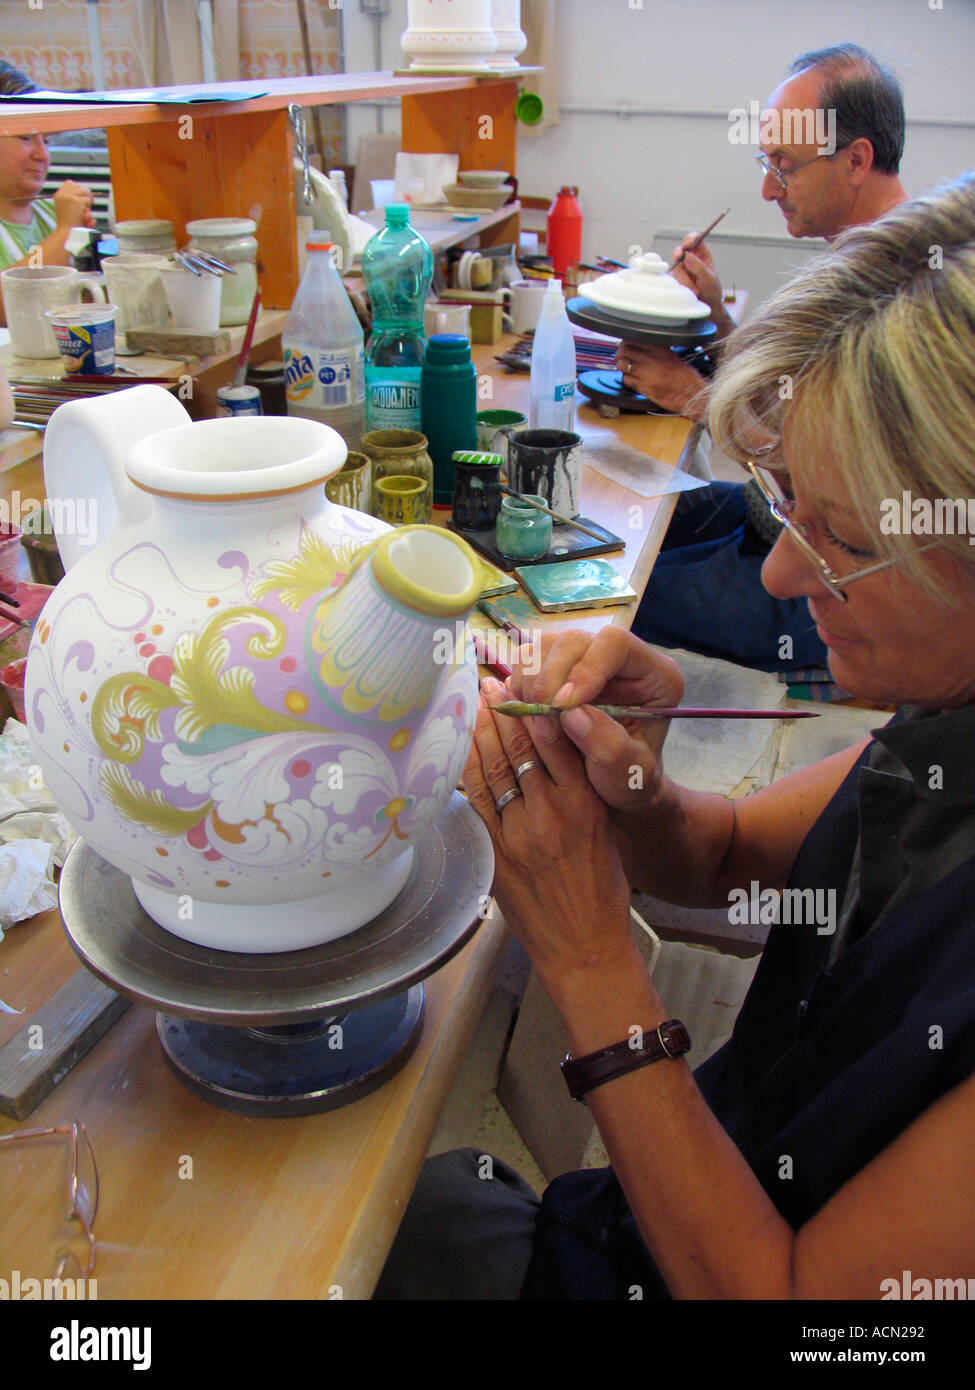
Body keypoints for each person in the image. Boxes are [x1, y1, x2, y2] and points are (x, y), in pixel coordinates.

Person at [376, 171, 975, 1300]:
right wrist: (643, 774)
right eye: (792, 508)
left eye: (840, 540)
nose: (788, 573)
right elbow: (720, 855)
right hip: (679, 1205)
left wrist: (589, 956)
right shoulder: (947, 720)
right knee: (408, 1219)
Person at [622, 44, 910, 675]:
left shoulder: (899, 297)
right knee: (625, 527)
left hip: (821, 584)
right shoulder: (860, 257)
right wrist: (719, 320)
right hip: (767, 523)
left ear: (856, 159)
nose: (765, 187)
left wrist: (689, 396)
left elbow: (813, 470)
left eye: (785, 166)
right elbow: (788, 400)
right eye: (766, 161)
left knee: (617, 600)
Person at [0, 61, 94, 291]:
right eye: (25, 138)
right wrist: (64, 234)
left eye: (47, 141)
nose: (42, 155)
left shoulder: (53, 213)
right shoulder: (62, 223)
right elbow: (6, 305)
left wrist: (80, 240)